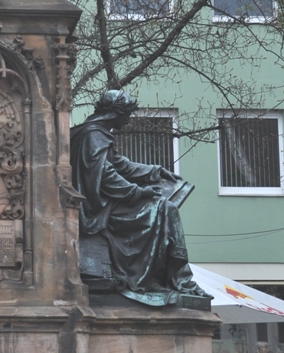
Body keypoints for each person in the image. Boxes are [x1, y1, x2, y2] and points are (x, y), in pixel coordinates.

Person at [70, 89, 209, 307]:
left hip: (105, 203)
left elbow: (120, 165)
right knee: (165, 209)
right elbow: (106, 176)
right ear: (116, 113)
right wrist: (137, 192)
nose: (127, 121)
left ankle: (162, 278)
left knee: (163, 207)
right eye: (127, 115)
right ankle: (172, 280)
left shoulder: (96, 133)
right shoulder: (94, 135)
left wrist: (156, 171)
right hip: (97, 210)